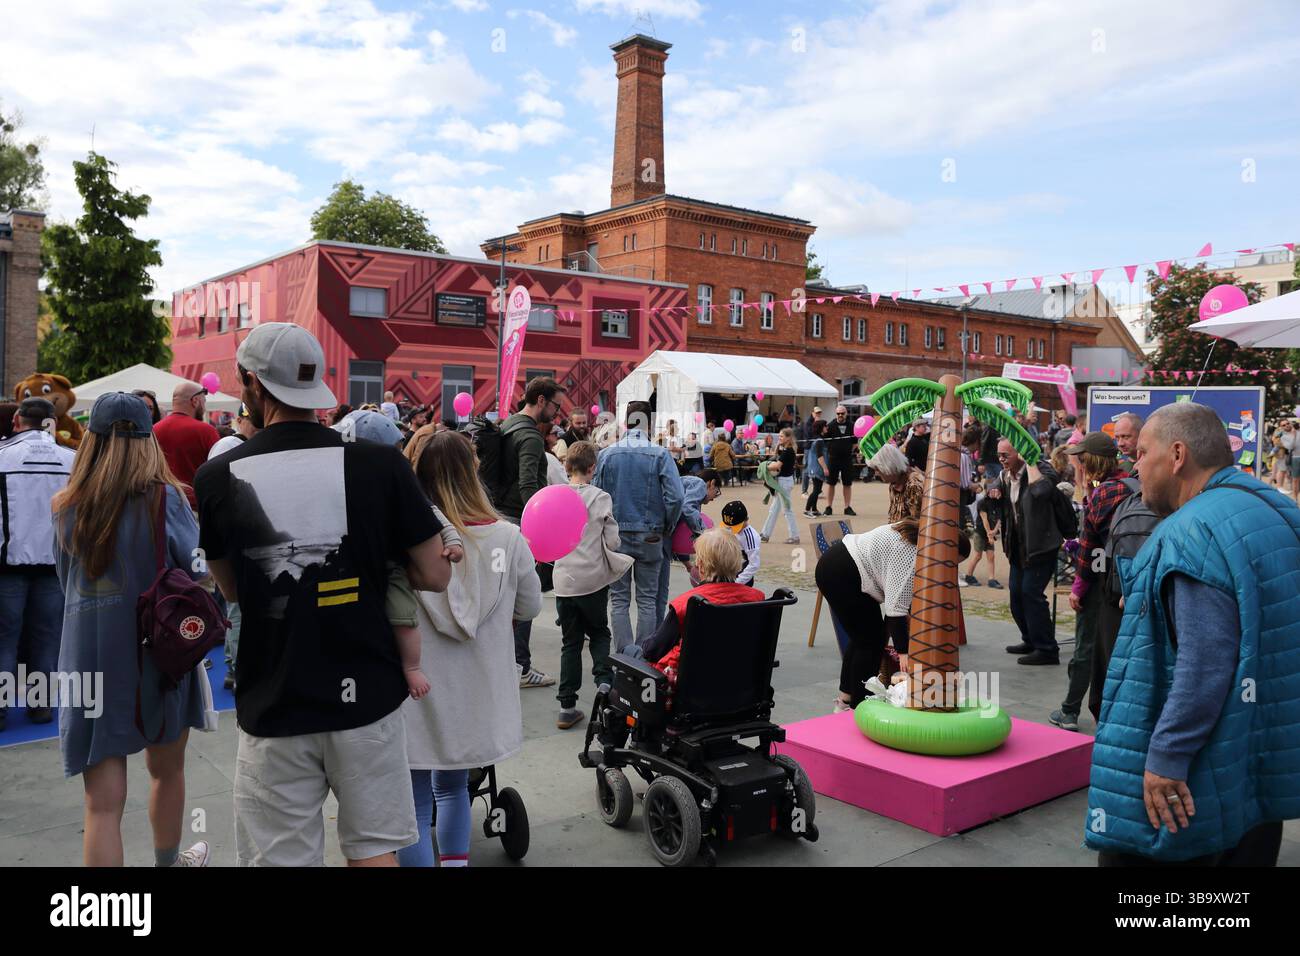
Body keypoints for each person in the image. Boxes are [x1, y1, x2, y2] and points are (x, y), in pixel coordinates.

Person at [195, 322, 451, 867]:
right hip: (368, 692)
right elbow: (435, 574)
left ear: (251, 384)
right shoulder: (381, 465)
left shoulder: (217, 476)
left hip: (275, 697)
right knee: (375, 848)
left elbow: (234, 588)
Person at [1086, 401, 1300, 867]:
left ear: (1177, 455)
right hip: (1256, 765)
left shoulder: (1192, 530)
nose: (1134, 463)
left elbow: (1206, 659)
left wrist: (1167, 756)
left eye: (1142, 452)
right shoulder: (1276, 510)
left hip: (1195, 784)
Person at [53, 392, 211, 867]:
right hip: (157, 651)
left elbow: (67, 583)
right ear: (149, 439)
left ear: (92, 440)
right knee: (166, 772)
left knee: (101, 804)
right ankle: (167, 865)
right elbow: (199, 569)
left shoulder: (67, 505)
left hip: (88, 654)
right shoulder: (167, 499)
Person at [392, 431, 540, 868]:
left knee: (415, 805)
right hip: (477, 685)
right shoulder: (508, 537)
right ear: (473, 474)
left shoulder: (402, 540)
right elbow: (530, 604)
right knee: (453, 787)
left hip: (415, 684)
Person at [817, 518, 970, 712]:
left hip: (839, 566)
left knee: (864, 638)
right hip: (841, 573)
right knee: (870, 642)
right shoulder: (912, 555)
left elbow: (897, 607)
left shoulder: (920, 539)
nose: (950, 569)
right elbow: (895, 610)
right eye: (952, 563)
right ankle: (859, 706)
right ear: (944, 549)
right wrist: (903, 652)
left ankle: (845, 701)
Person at [0, 399, 75, 730]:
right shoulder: (71, 460)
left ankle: (1, 710)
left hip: (8, 565)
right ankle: (41, 704)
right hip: (54, 565)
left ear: (17, 419)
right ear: (52, 423)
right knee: (47, 637)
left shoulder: (2, 457)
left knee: (4, 639)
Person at [1050, 432, 1132, 732]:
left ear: (1090, 462)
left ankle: (1070, 710)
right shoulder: (1133, 485)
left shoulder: (1103, 493)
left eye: (1081, 459)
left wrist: (1078, 588)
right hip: (1129, 580)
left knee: (1087, 647)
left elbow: (1089, 548)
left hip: (1101, 583)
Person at [551, 441, 634, 731]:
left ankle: (566, 705)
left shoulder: (555, 496)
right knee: (599, 633)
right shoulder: (600, 497)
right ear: (592, 468)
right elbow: (612, 539)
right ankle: (603, 684)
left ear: (565, 466)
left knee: (570, 642)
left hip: (563, 578)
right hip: (592, 577)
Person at [594, 400, 684, 652]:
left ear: (625, 421)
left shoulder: (607, 454)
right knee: (647, 599)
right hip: (651, 534)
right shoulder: (660, 454)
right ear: (649, 423)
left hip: (617, 534)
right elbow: (675, 497)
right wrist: (667, 525)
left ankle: (624, 655)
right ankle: (645, 656)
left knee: (619, 599)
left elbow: (598, 494)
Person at [499, 376, 565, 689]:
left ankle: (505, 663)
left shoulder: (508, 424)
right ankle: (520, 667)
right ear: (540, 401)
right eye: (555, 405)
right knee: (524, 597)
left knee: (504, 596)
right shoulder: (531, 437)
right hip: (517, 522)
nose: (556, 412)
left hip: (499, 517)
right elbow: (528, 484)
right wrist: (534, 530)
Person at [632, 528, 765, 675]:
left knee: (631, 652)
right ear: (737, 563)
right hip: (740, 682)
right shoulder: (757, 599)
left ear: (701, 565)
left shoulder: (689, 603)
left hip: (689, 686)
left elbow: (652, 650)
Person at [998, 439, 1073, 665]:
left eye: (1005, 455)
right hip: (1018, 546)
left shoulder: (1042, 469)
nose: (1001, 459)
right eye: (999, 455)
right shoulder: (1005, 476)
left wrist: (1030, 461)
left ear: (1020, 453)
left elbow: (1041, 491)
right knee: (1016, 595)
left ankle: (1047, 649)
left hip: (1041, 545)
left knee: (1031, 594)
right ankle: (1030, 639)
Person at [205, 404, 261, 690]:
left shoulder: (240, 444)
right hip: (235, 537)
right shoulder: (230, 443)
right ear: (239, 420)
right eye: (251, 420)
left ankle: (235, 662)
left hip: (238, 535)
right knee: (237, 607)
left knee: (237, 606)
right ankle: (237, 667)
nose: (257, 426)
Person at [153, 381, 220, 507]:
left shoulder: (154, 430)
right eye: (204, 401)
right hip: (195, 507)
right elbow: (219, 473)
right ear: (195, 401)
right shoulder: (206, 431)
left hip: (160, 506)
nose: (204, 408)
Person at [760, 428, 800, 544]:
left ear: (788, 438)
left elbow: (777, 465)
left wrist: (764, 466)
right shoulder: (785, 450)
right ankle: (765, 534)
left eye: (782, 436)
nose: (779, 438)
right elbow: (776, 459)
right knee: (774, 509)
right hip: (782, 482)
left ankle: (795, 536)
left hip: (784, 483)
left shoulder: (788, 451)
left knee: (787, 510)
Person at [868, 442, 925, 522]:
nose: (876, 473)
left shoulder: (914, 484)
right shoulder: (894, 484)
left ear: (888, 465)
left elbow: (916, 523)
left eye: (877, 469)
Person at [961, 481, 1002, 589]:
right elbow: (985, 520)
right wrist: (990, 535)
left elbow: (999, 519)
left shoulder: (998, 502)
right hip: (980, 532)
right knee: (978, 555)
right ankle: (969, 576)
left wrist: (995, 531)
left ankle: (991, 579)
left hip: (991, 532)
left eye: (995, 489)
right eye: (991, 490)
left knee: (991, 556)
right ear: (987, 491)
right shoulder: (982, 502)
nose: (994, 492)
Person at [821, 405, 858, 516]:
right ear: (836, 414)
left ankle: (847, 507)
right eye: (838, 413)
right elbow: (824, 441)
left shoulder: (852, 426)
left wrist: (848, 450)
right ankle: (829, 507)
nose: (840, 415)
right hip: (833, 459)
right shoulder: (830, 426)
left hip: (847, 459)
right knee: (831, 483)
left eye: (842, 413)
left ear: (846, 413)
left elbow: (855, 442)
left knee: (847, 484)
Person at [721, 500, 761, 587]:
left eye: (734, 526)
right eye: (729, 526)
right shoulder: (730, 527)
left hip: (741, 577)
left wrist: (738, 582)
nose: (730, 529)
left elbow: (754, 564)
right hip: (728, 571)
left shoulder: (750, 537)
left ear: (745, 519)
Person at [803, 420, 829, 517]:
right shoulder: (819, 440)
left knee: (817, 489)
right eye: (825, 426)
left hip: (815, 467)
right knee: (816, 490)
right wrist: (825, 468)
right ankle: (807, 510)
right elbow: (820, 456)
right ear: (821, 427)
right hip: (816, 468)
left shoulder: (818, 439)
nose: (827, 427)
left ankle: (814, 509)